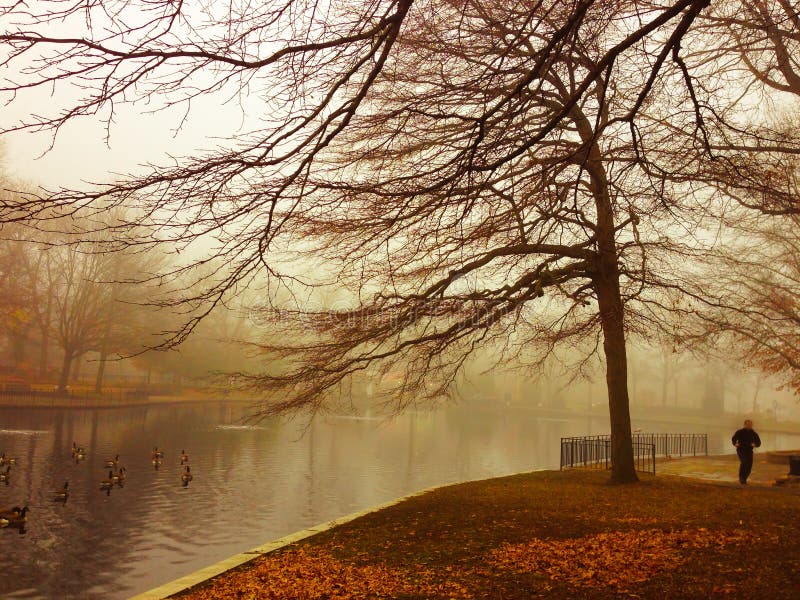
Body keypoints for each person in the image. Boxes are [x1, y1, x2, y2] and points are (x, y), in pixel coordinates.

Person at [732, 419, 761, 485]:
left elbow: (759, 442)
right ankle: (741, 478)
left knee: (749, 466)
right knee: (744, 462)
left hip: (749, 451)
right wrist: (735, 443)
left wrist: (755, 444)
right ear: (744, 425)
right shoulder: (740, 432)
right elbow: (734, 438)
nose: (749, 426)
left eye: (750, 425)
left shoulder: (753, 433)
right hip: (741, 450)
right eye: (748, 424)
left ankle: (744, 478)